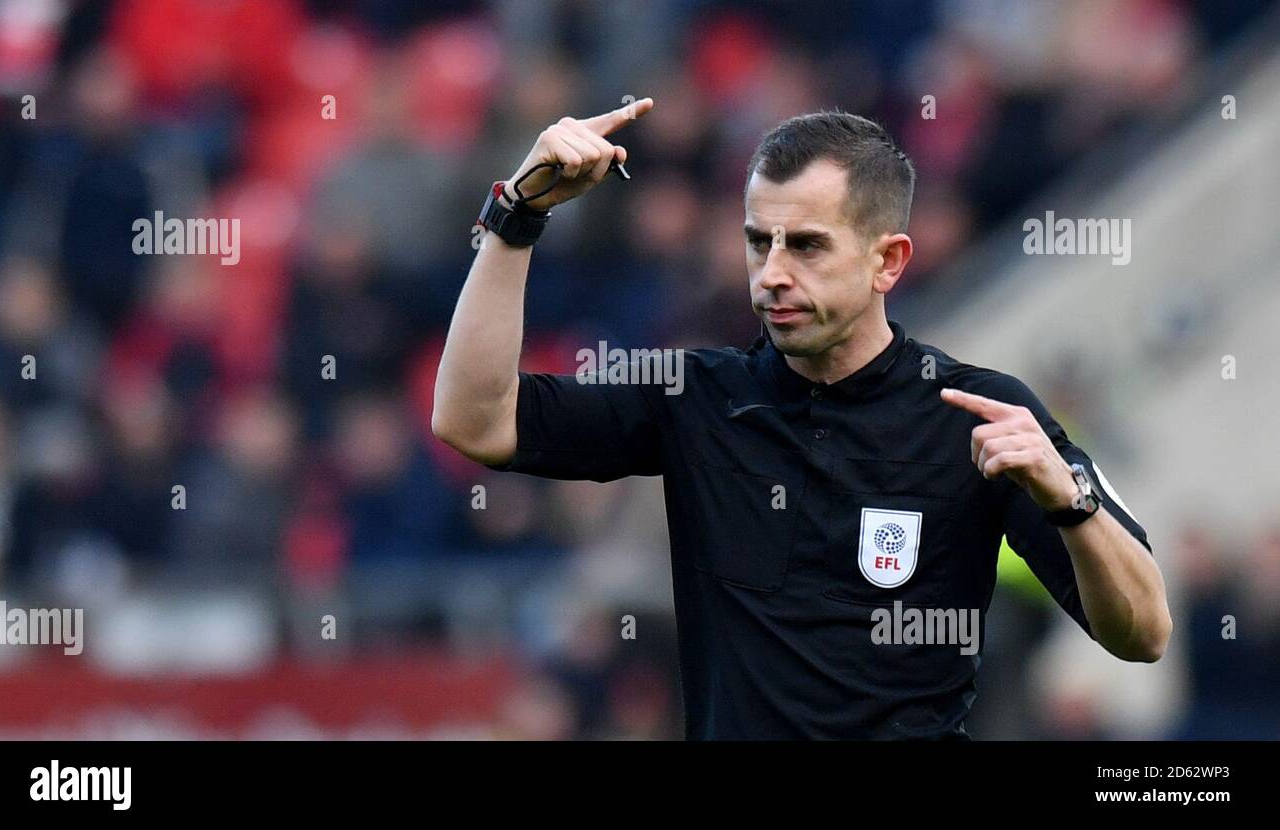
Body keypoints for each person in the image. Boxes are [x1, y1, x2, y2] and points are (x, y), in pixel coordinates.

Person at [433, 101, 1172, 739]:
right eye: (760, 241)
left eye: (808, 245)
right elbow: (474, 421)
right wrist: (517, 216)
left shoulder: (976, 414)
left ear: (888, 262)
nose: (773, 273)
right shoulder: (694, 398)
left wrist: (1071, 503)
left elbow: (1144, 634)